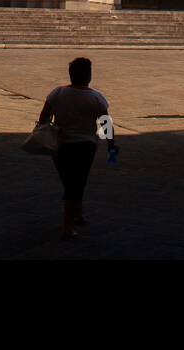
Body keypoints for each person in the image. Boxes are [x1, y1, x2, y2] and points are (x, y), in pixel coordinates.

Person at [38, 57, 112, 239]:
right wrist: (111, 143)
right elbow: (105, 124)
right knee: (77, 182)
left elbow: (43, 118)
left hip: (60, 144)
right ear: (89, 76)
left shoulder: (57, 93)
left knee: (70, 180)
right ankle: (67, 225)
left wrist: (54, 129)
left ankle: (76, 213)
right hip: (85, 146)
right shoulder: (96, 98)